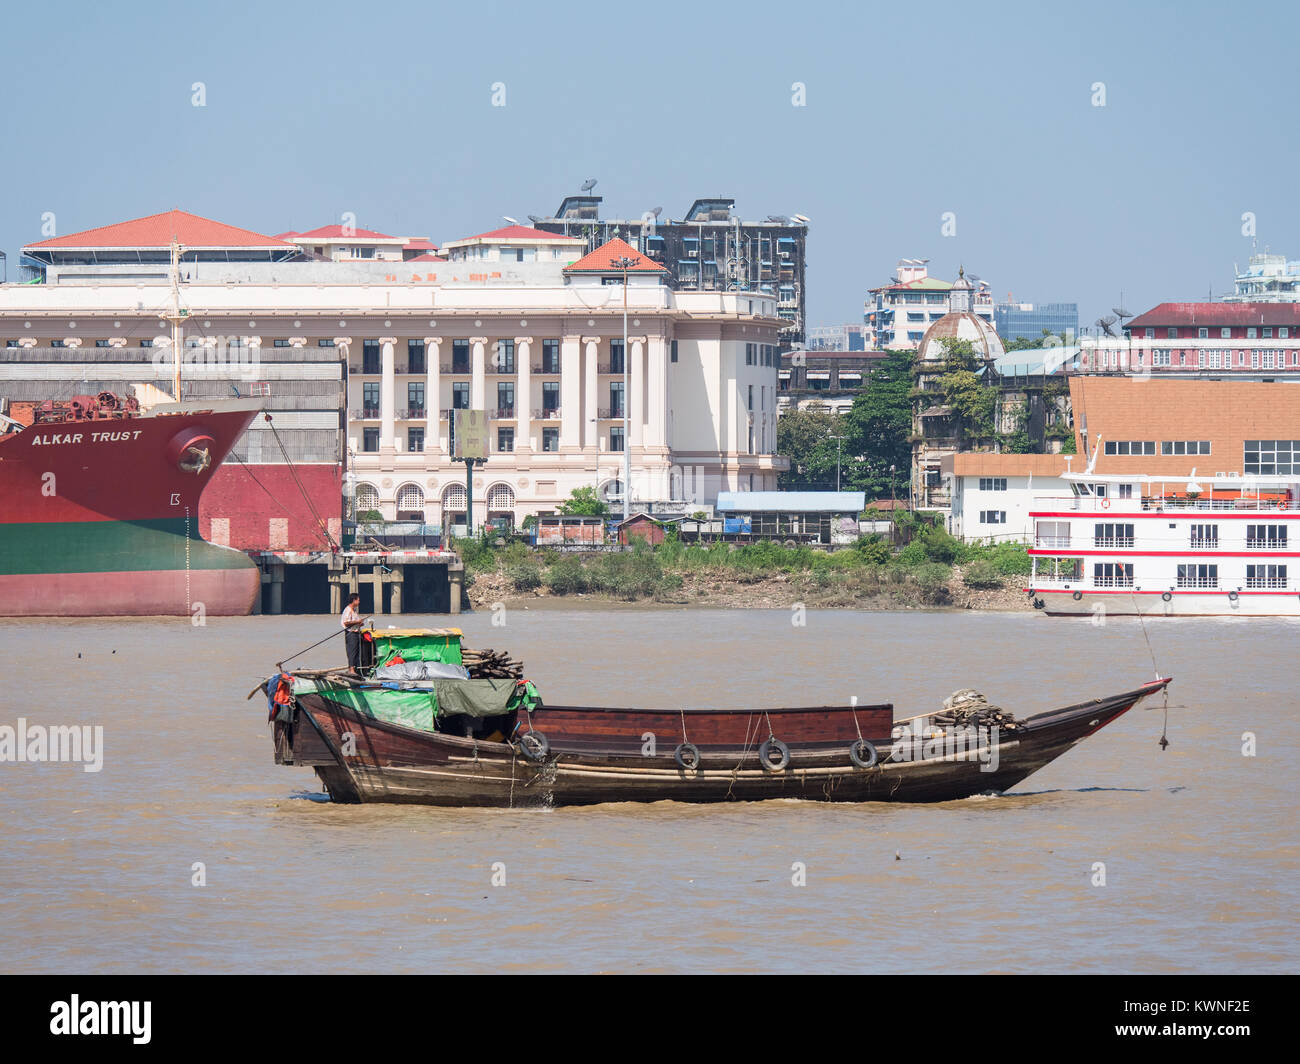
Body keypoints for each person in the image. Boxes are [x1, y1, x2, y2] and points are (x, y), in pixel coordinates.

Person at [341, 593, 366, 674]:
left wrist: (360, 623)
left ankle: (355, 669)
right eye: (358, 600)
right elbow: (346, 623)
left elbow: (355, 622)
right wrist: (357, 622)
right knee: (352, 651)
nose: (359, 602)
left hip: (356, 633)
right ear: (354, 600)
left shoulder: (354, 611)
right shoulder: (348, 610)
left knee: (356, 652)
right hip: (351, 633)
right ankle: (351, 670)